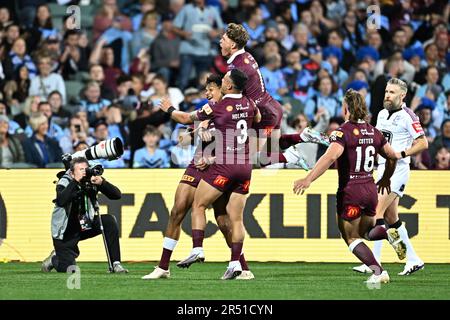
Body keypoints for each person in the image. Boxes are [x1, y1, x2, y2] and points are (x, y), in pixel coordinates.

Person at [142, 74, 254, 280]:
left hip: (218, 165)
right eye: (207, 89)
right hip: (198, 164)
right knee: (177, 210)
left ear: (225, 88)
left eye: (212, 89)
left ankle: (241, 266)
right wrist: (193, 134)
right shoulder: (223, 107)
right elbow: (187, 134)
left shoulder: (222, 108)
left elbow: (226, 133)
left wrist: (170, 110)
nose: (208, 93)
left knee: (223, 219)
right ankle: (163, 266)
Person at [293, 89, 405, 285]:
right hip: (370, 189)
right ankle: (387, 233)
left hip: (350, 190)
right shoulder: (374, 131)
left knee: (351, 237)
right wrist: (386, 178)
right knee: (367, 232)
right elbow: (392, 156)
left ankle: (378, 272)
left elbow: (330, 156)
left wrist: (308, 178)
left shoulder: (342, 132)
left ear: (346, 108)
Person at [219, 23, 329, 169]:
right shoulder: (247, 56)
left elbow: (231, 98)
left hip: (263, 114)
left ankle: (291, 155)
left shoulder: (237, 68)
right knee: (272, 150)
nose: (220, 41)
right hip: (273, 107)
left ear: (233, 45)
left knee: (253, 159)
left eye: (224, 39)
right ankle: (303, 136)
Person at [353, 78, 429, 276]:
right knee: (391, 218)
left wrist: (401, 154)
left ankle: (374, 263)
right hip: (382, 169)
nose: (387, 95)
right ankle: (413, 259)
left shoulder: (408, 116)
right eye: (387, 91)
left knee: (374, 214)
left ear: (402, 95)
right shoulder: (382, 113)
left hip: (398, 170)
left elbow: (423, 143)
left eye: (392, 92)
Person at [41, 157, 128, 273]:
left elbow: (117, 195)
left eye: (86, 169)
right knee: (69, 269)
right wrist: (75, 182)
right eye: (80, 169)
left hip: (85, 223)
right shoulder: (64, 181)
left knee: (109, 221)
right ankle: (54, 258)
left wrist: (102, 183)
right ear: (72, 173)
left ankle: (116, 264)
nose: (84, 172)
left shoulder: (90, 180)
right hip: (65, 231)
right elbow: (61, 200)